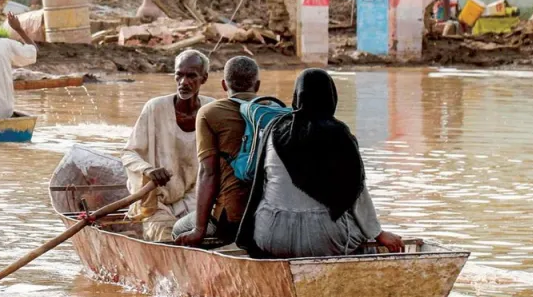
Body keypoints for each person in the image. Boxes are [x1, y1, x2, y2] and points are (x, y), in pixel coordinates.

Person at [235, 69, 404, 258]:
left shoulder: (274, 129)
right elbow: (356, 193)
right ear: (331, 97)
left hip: (270, 234)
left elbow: (263, 185)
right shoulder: (340, 134)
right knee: (367, 244)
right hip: (322, 239)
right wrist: (378, 234)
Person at [120, 50, 214, 242]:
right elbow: (129, 154)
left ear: (203, 79)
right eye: (179, 75)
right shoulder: (155, 108)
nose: (184, 82)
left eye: (191, 76)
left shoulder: (212, 110)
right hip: (158, 203)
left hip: (197, 203)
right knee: (166, 239)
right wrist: (148, 170)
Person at [173, 56, 260, 247]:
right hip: (268, 215)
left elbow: (208, 173)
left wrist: (198, 229)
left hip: (232, 219)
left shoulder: (210, 112)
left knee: (178, 229)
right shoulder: (275, 109)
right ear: (258, 85)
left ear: (223, 84)